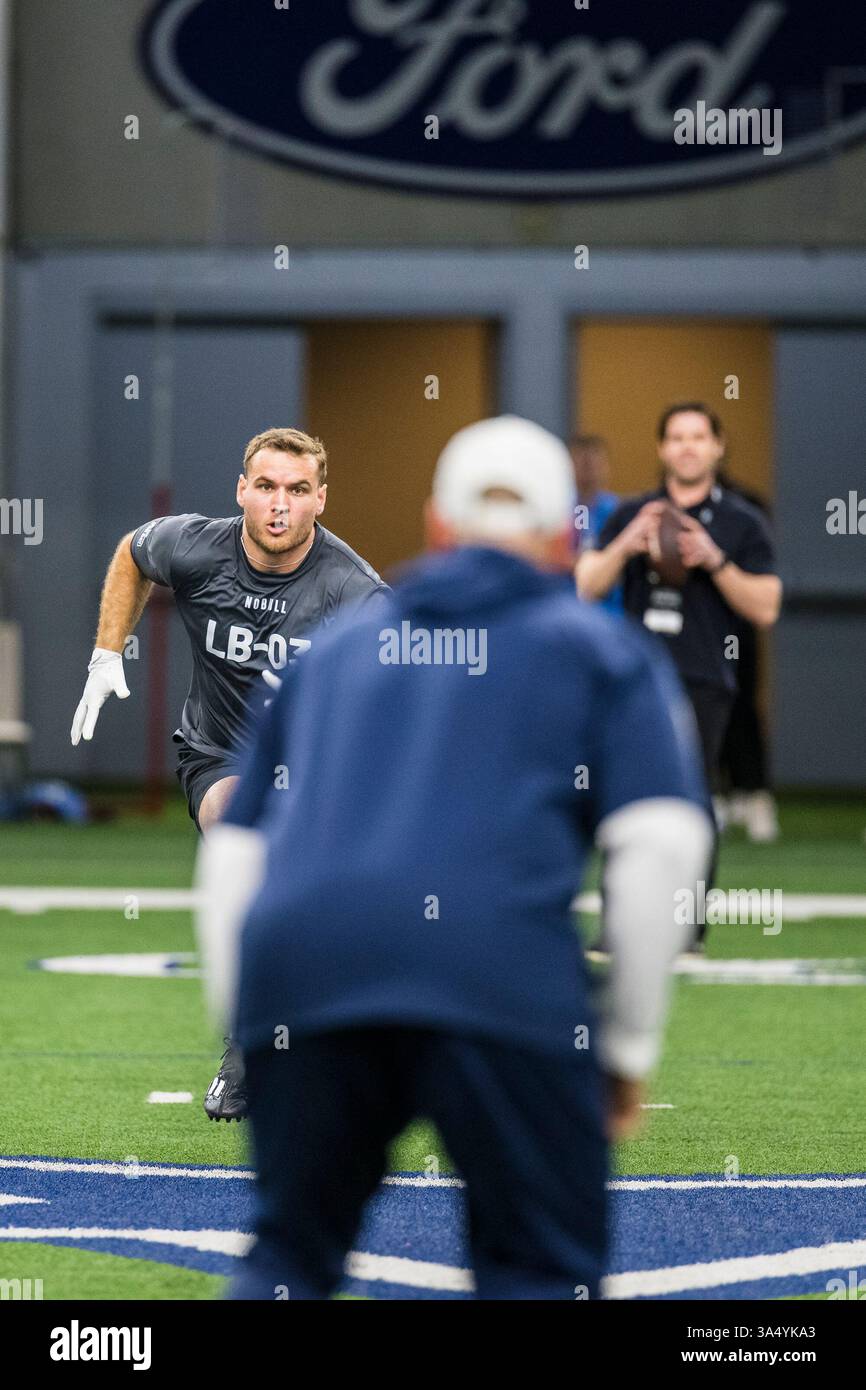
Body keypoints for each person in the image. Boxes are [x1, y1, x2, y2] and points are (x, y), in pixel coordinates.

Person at [196, 415, 712, 1301]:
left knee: (286, 1261)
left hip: (312, 975)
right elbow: (664, 848)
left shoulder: (333, 651)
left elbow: (236, 856)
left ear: (437, 524)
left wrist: (251, 1021)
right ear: (563, 536)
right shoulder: (600, 653)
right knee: (539, 1272)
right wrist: (626, 1049)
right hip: (497, 976)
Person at [70, 426, 388, 1120]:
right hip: (218, 754)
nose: (280, 504)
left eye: (297, 490)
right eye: (266, 486)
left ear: (321, 500)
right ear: (241, 490)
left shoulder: (355, 590)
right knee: (242, 829)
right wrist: (107, 653)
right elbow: (132, 553)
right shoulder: (196, 546)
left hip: (314, 769)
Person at [576, 403, 782, 921]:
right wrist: (626, 545)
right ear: (662, 448)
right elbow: (584, 586)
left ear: (717, 446)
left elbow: (766, 606)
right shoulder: (633, 513)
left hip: (705, 679)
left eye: (698, 437)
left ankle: (688, 926)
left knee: (693, 797)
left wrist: (716, 560)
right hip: (635, 677)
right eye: (677, 437)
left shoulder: (742, 520)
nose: (688, 447)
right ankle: (620, 922)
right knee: (624, 795)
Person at [569, 434, 622, 615]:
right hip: (570, 606)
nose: (589, 470)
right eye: (583, 464)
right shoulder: (559, 511)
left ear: (605, 467)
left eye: (594, 463)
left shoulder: (617, 510)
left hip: (610, 610)